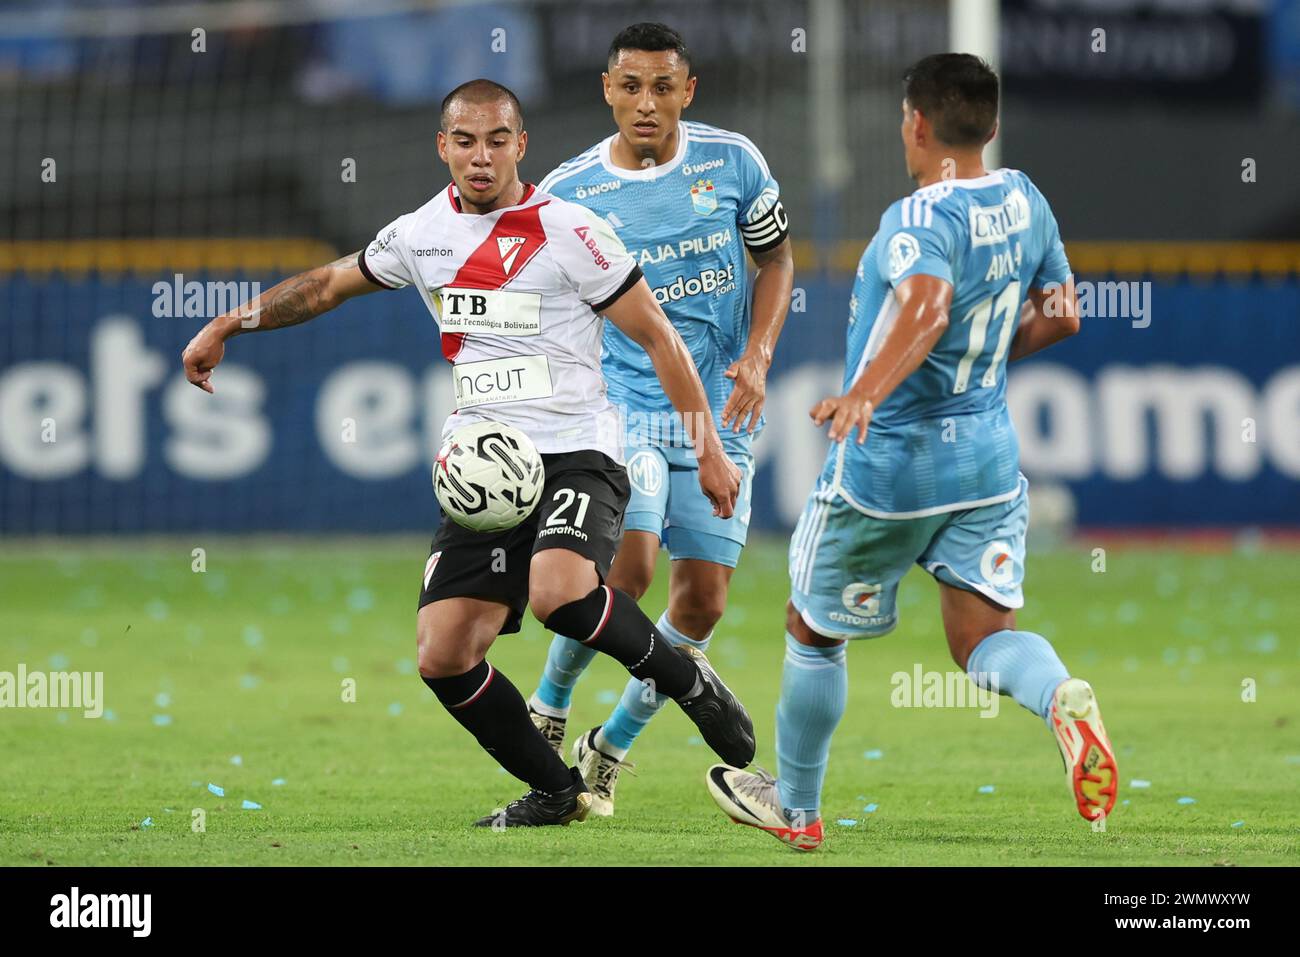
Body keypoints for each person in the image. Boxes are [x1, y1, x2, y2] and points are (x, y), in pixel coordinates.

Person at [181, 78, 755, 828]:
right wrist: (231, 322)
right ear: (442, 146)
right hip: (486, 469)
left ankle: (688, 681)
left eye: (496, 140)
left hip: (578, 449)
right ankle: (557, 791)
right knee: (443, 652)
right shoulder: (421, 234)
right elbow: (326, 285)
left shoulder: (571, 230)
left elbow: (659, 337)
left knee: (560, 593)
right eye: (464, 140)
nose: (480, 157)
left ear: (522, 145)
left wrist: (706, 449)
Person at [706, 54, 1116, 850]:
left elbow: (925, 306)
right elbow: (1064, 314)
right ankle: (1059, 692)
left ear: (917, 125)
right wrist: (984, 359)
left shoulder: (918, 219)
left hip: (892, 464)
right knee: (981, 638)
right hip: (987, 461)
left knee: (812, 626)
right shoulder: (1024, 198)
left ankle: (795, 807)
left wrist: (866, 393)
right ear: (990, 128)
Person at [526, 22, 793, 816]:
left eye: (663, 86)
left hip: (723, 409)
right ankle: (549, 701)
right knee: (630, 570)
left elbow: (774, 260)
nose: (647, 103)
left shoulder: (734, 162)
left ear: (688, 90)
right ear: (607, 90)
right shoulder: (568, 191)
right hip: (625, 409)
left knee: (703, 601)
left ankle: (609, 749)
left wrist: (761, 353)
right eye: (631, 87)